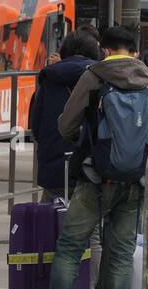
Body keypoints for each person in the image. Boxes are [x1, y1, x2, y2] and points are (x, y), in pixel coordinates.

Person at [26, 26, 148, 289]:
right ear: (134, 50)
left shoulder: (95, 76)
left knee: (71, 245)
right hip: (134, 179)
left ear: (104, 49)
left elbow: (66, 124)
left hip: (93, 176)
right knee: (120, 250)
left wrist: (88, 139)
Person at [30, 32, 102, 202]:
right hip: (91, 164)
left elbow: (36, 124)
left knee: (50, 218)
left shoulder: (49, 77)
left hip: (55, 163)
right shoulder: (101, 75)